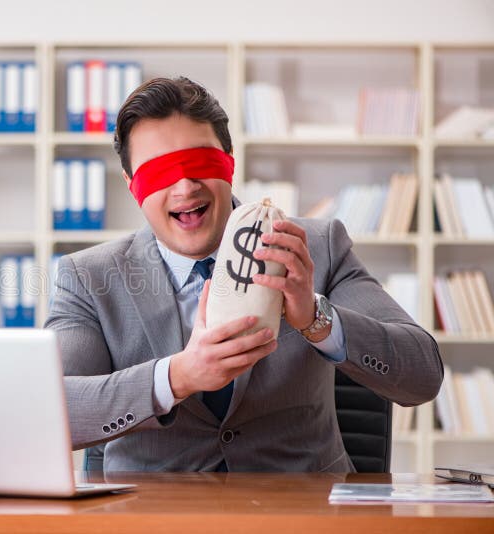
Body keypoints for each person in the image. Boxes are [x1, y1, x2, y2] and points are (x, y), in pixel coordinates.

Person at [44, 76, 443, 472]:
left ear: (230, 163)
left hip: (301, 510)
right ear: (134, 187)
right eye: (158, 172)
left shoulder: (315, 246)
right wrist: (177, 376)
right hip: (154, 512)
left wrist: (316, 319)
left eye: (199, 162)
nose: (184, 186)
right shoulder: (88, 277)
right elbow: (52, 409)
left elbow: (422, 376)